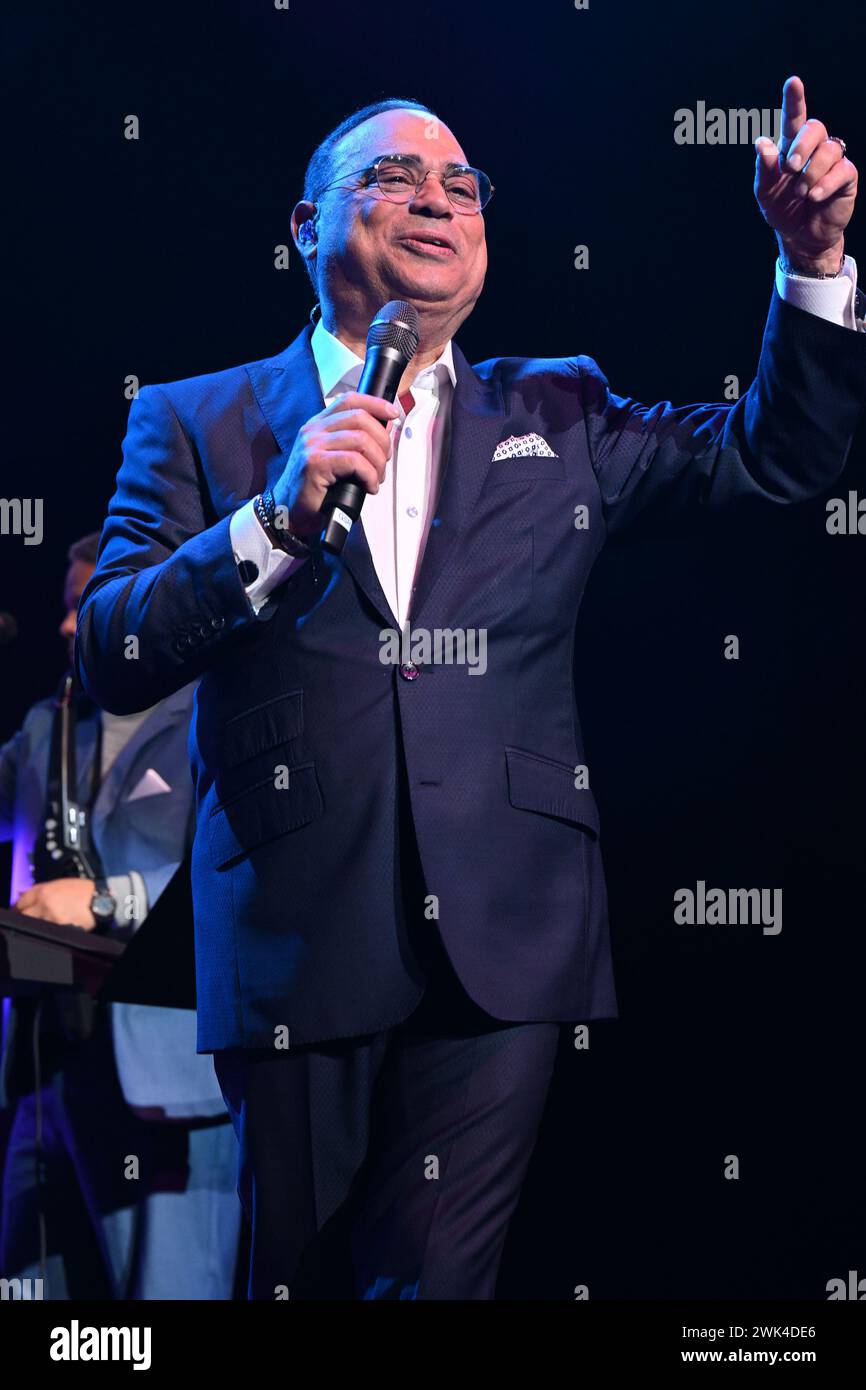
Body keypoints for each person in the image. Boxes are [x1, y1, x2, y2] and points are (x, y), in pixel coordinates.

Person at [75, 78, 866, 1299]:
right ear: (303, 225)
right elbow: (113, 648)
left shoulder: (560, 408)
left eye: (460, 184)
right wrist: (269, 521)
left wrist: (809, 263)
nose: (436, 199)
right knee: (291, 1276)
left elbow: (774, 457)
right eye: (394, 178)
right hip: (297, 928)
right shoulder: (194, 421)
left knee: (435, 1283)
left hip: (507, 926)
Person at [0, 532, 241, 1299]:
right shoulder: (47, 727)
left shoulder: (214, 712)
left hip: (163, 1084)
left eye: (84, 606)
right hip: (48, 1071)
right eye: (65, 609)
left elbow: (244, 882)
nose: (68, 627)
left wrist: (107, 902)